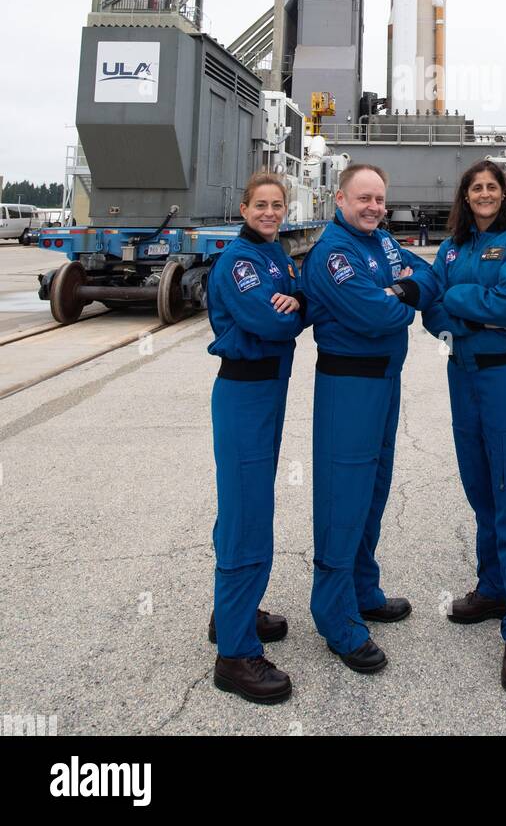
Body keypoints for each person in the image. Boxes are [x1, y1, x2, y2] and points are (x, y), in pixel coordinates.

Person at [301, 164, 438, 674]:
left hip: (384, 381)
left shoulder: (380, 243)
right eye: (364, 198)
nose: (374, 207)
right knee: (344, 497)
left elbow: (428, 276)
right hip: (349, 386)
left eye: (380, 199)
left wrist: (398, 291)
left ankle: (362, 589)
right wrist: (400, 300)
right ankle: (334, 616)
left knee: (374, 490)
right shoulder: (333, 253)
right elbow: (375, 315)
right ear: (340, 199)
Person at [422, 161, 506, 693]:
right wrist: (467, 313)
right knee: (479, 489)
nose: (485, 194)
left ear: (504, 193)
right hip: (462, 377)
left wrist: (457, 301)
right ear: (465, 197)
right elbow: (432, 312)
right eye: (476, 188)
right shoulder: (452, 249)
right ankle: (493, 586)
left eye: (493, 187)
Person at [206, 172, 306, 704]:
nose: (269, 212)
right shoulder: (240, 262)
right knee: (247, 517)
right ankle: (236, 655)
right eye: (260, 205)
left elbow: (295, 295)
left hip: (268, 393)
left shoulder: (277, 256)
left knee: (245, 507)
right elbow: (272, 322)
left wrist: (297, 300)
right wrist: (298, 309)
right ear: (243, 208)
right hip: (244, 395)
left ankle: (231, 615)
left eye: (277, 205)